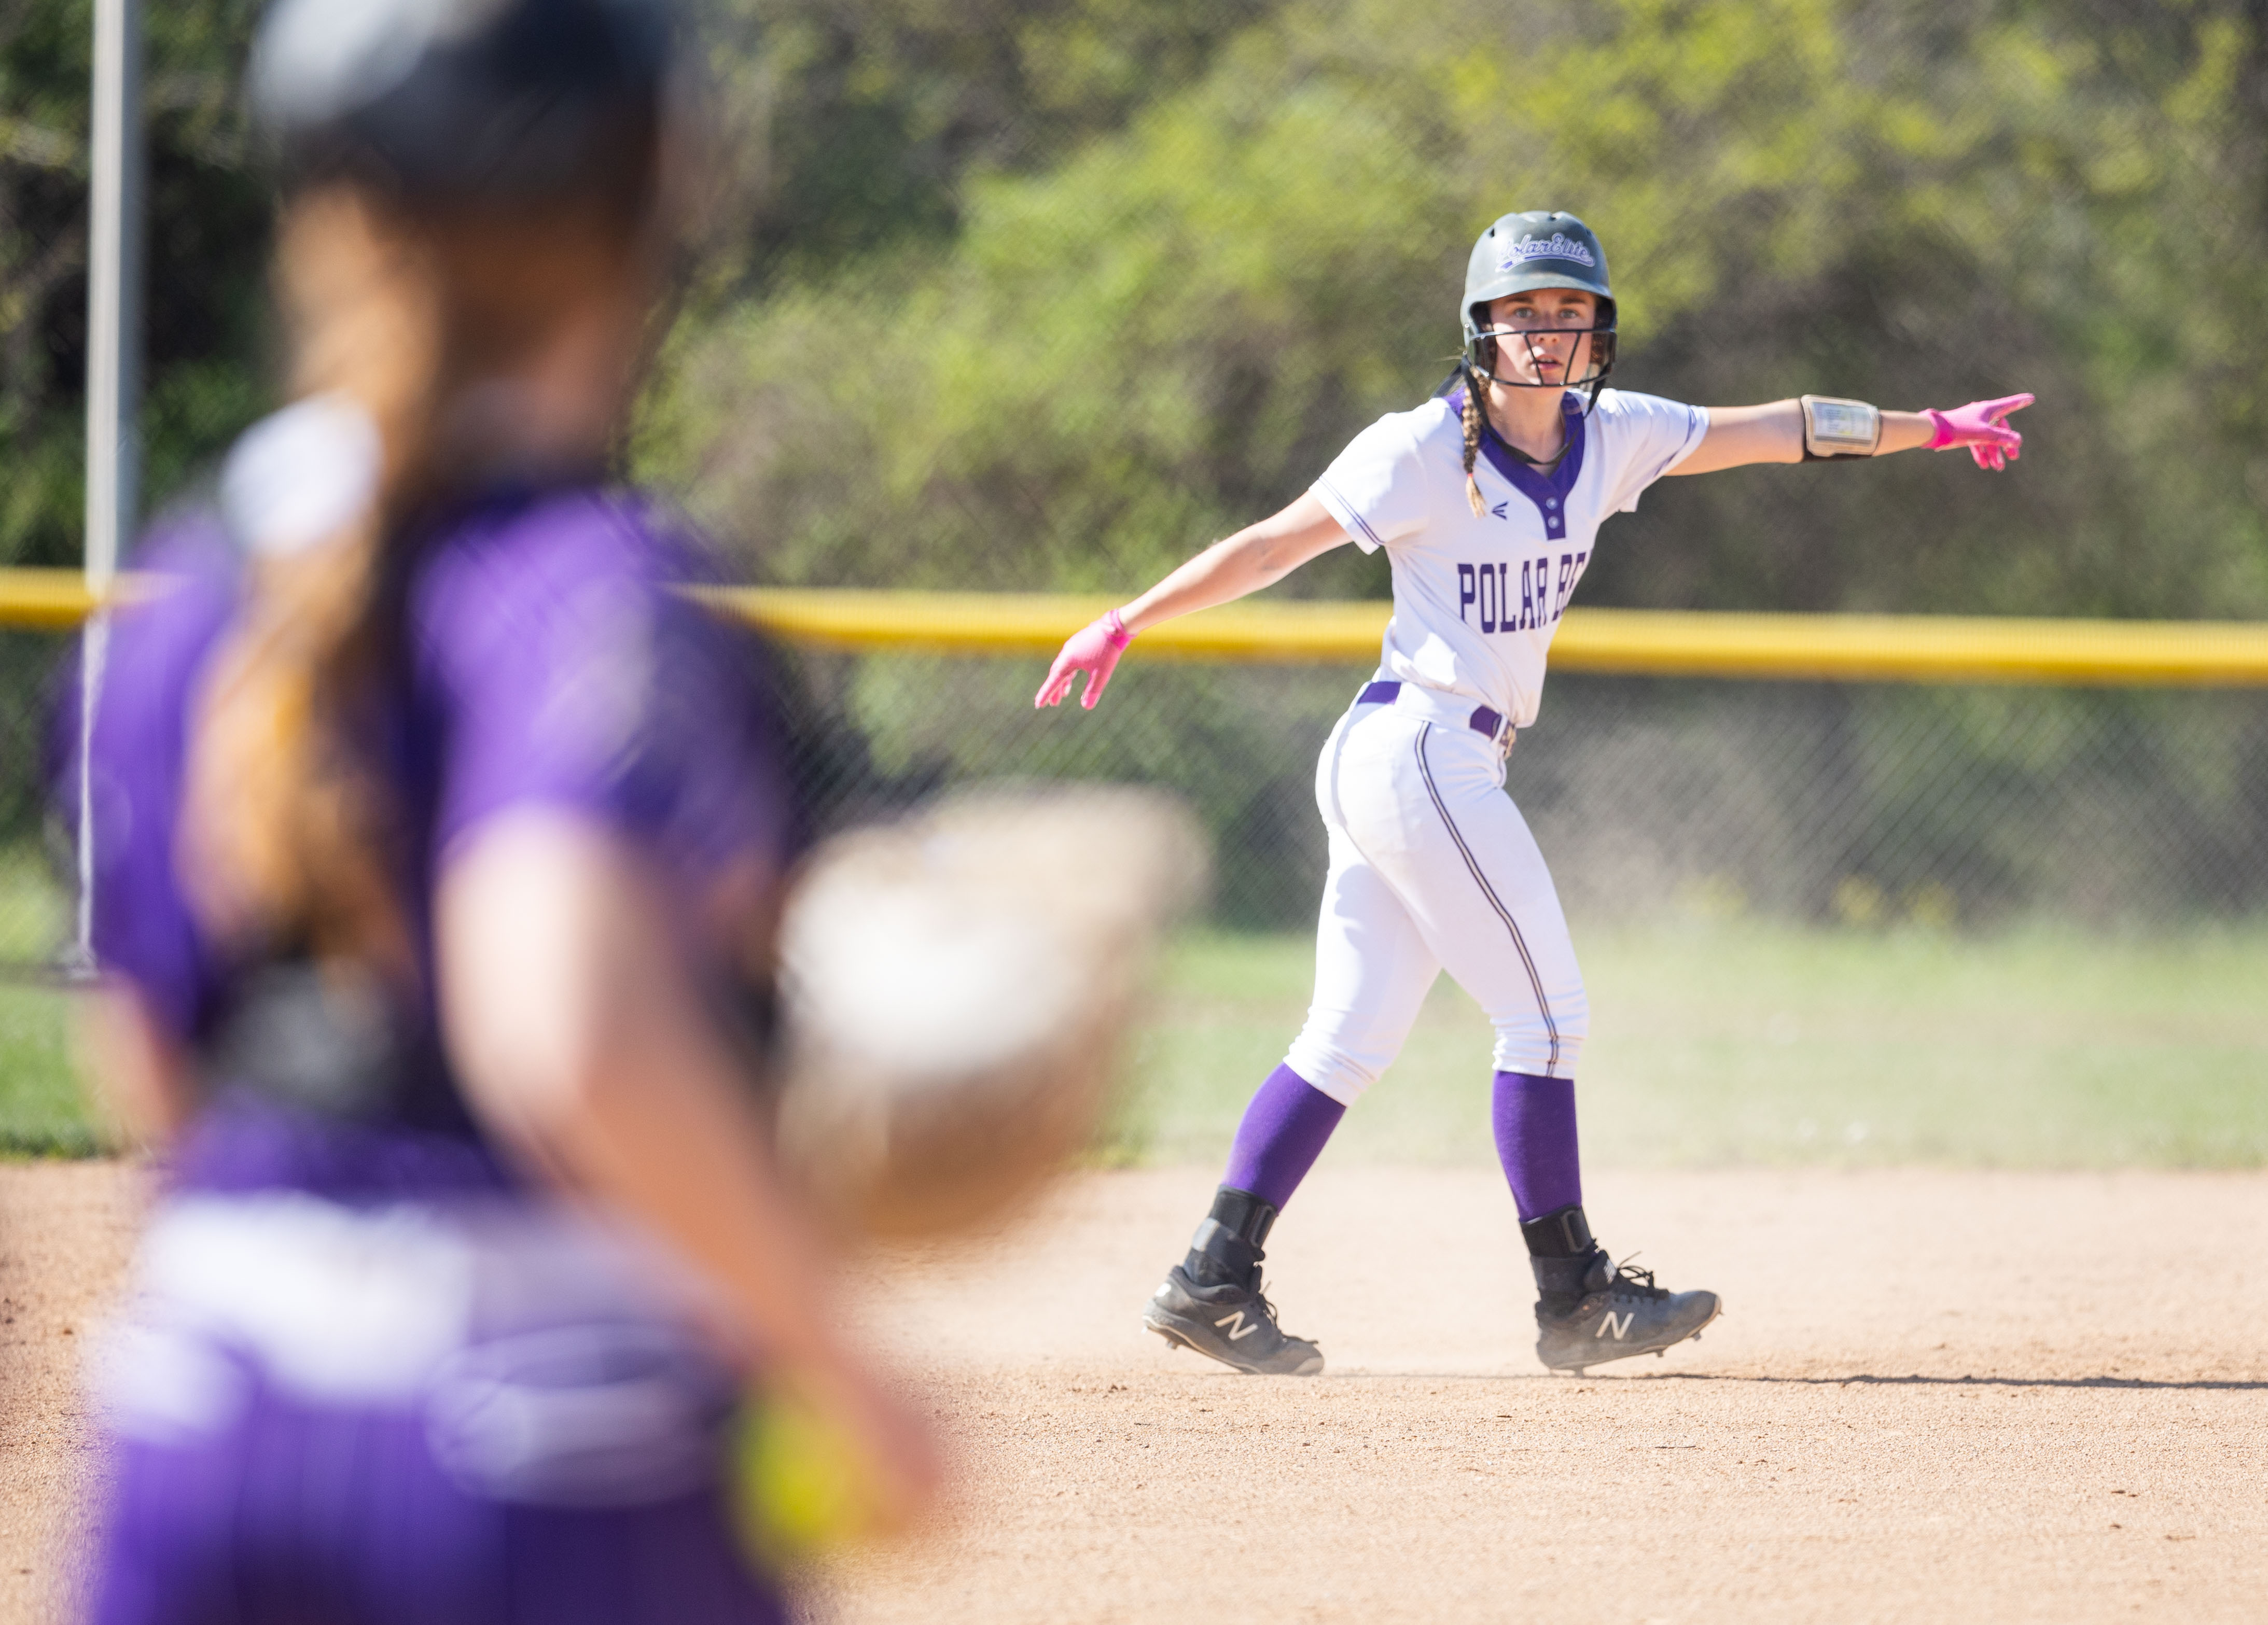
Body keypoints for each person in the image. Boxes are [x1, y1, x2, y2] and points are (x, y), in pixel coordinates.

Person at [67, 0, 933, 1618]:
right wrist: (837, 1364)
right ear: (649, 196)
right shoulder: (592, 582)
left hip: (197, 1404)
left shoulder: (193, 581)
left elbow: (157, 1063)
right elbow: (564, 1017)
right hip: (550, 1446)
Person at [1035, 209, 2030, 1377]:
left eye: (1569, 313)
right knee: (1546, 1019)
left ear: (1598, 331)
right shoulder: (1416, 449)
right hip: (1416, 750)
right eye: (1523, 314)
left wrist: (1936, 428)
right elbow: (1271, 547)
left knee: (1348, 1041)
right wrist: (1126, 620)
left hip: (1427, 760)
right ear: (1482, 331)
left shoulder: (1615, 438)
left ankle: (1211, 1276)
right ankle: (1576, 1294)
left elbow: (1780, 429)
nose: (1547, 336)